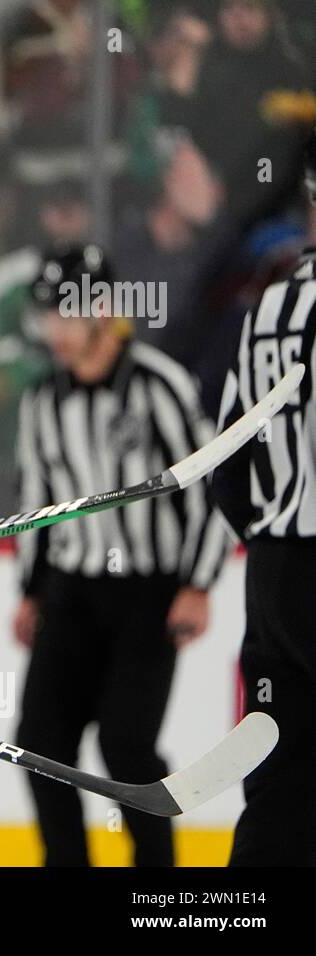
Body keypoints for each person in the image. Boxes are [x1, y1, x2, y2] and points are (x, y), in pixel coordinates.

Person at [12, 244, 231, 866]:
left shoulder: (160, 385)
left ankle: (157, 888)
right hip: (71, 593)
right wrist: (30, 593)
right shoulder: (41, 402)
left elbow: (208, 488)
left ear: (103, 310)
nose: (54, 329)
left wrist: (198, 584)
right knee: (40, 743)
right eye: (46, 315)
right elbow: (38, 503)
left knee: (127, 745)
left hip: (147, 593)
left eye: (65, 313)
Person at [213, 127, 316, 866]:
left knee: (280, 781)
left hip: (274, 578)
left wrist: (269, 529)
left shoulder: (272, 303)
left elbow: (227, 460)